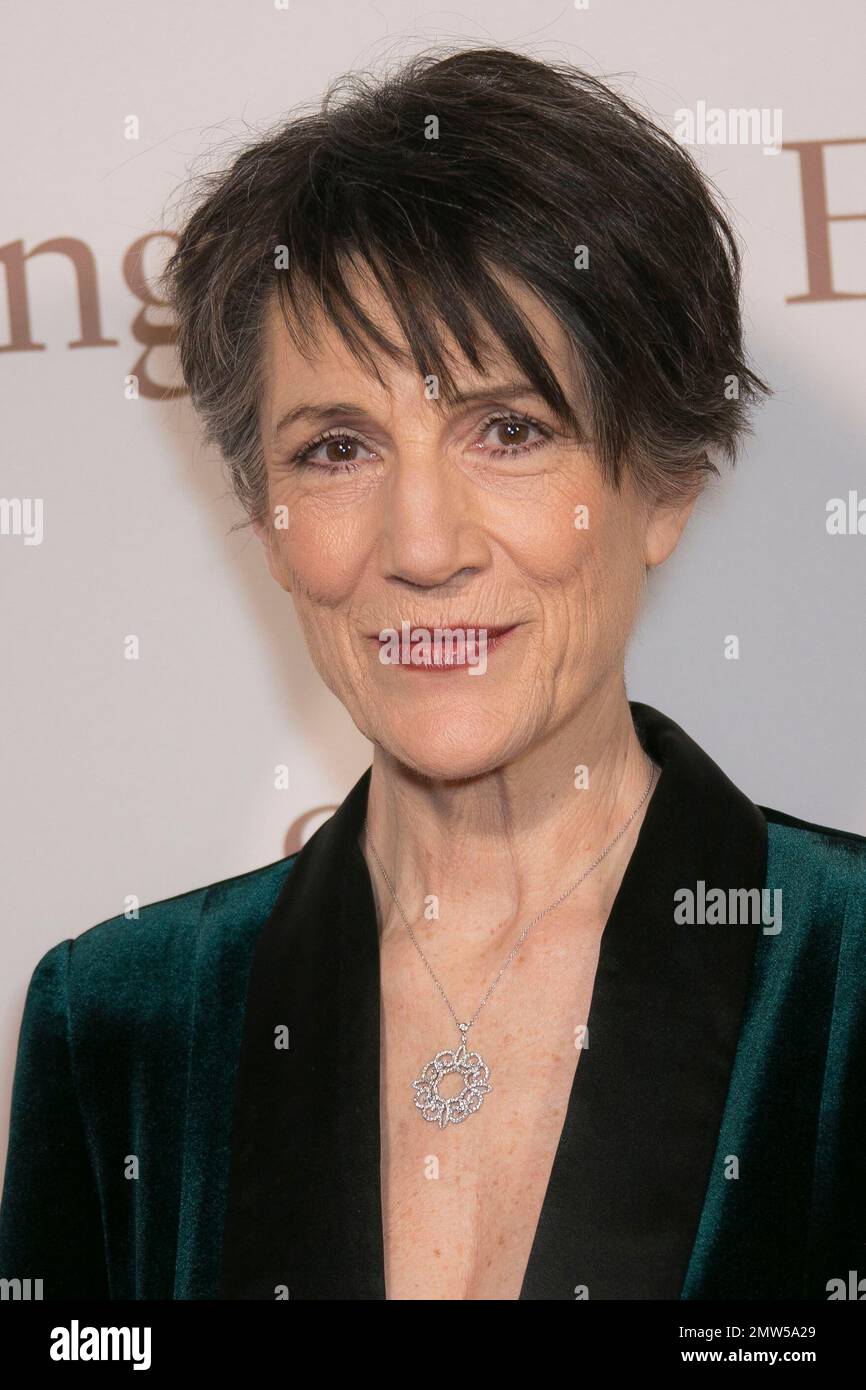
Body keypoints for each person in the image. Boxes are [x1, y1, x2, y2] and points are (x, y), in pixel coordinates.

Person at [1, 45, 864, 1301]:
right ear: (265, 515)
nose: (419, 546)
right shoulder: (121, 1024)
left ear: (662, 483)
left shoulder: (840, 974)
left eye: (507, 431)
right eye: (335, 449)